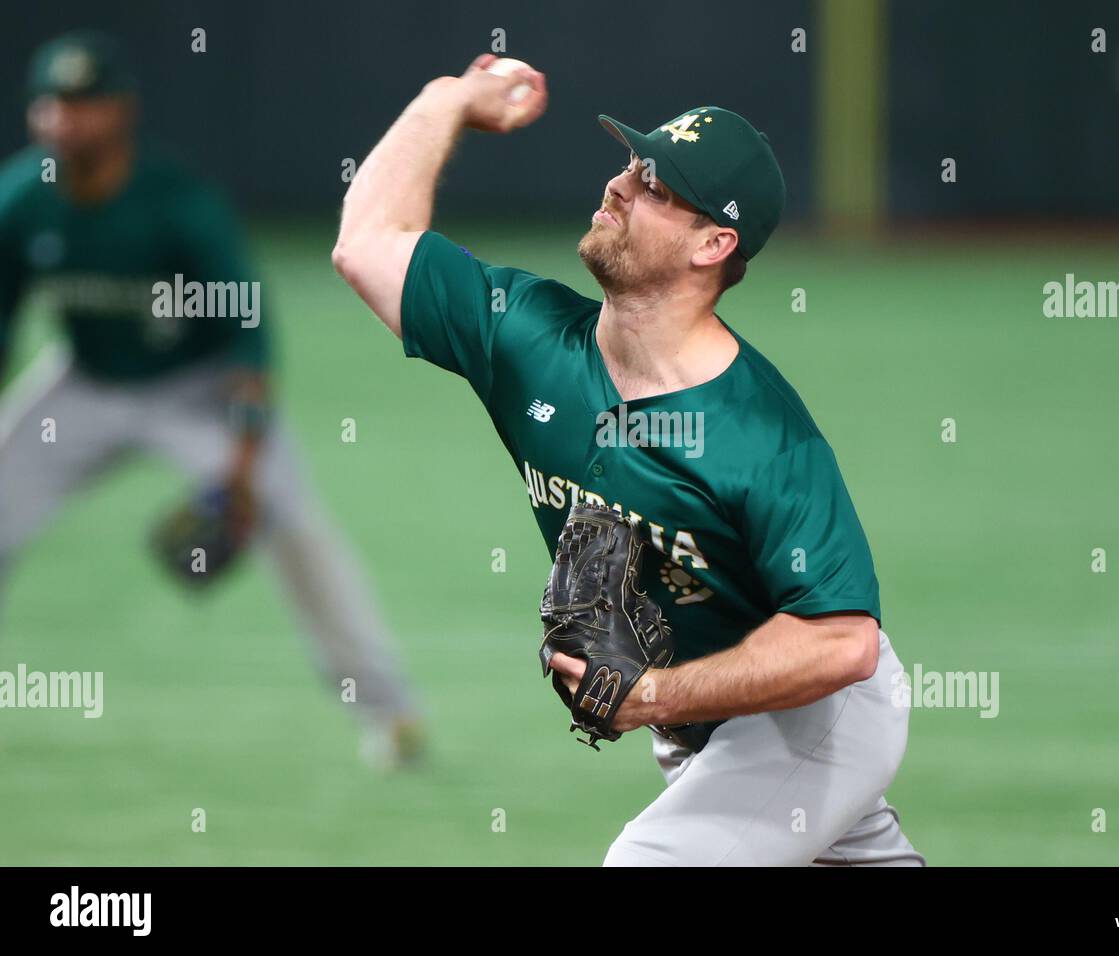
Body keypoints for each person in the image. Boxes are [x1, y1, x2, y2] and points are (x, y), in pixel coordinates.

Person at [333, 53, 924, 863]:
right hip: (701, 729)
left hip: (816, 715)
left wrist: (653, 694)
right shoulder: (527, 337)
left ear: (714, 242)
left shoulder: (761, 434)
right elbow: (367, 244)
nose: (619, 185)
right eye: (631, 166)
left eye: (657, 187)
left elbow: (843, 641)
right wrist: (448, 100)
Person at [0, 31, 422, 769]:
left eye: (84, 104)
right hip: (85, 379)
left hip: (195, 387)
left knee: (295, 529)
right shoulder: (22, 202)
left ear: (120, 111)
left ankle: (388, 712)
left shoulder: (177, 205)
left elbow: (248, 339)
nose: (68, 121)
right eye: (56, 106)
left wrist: (242, 466)